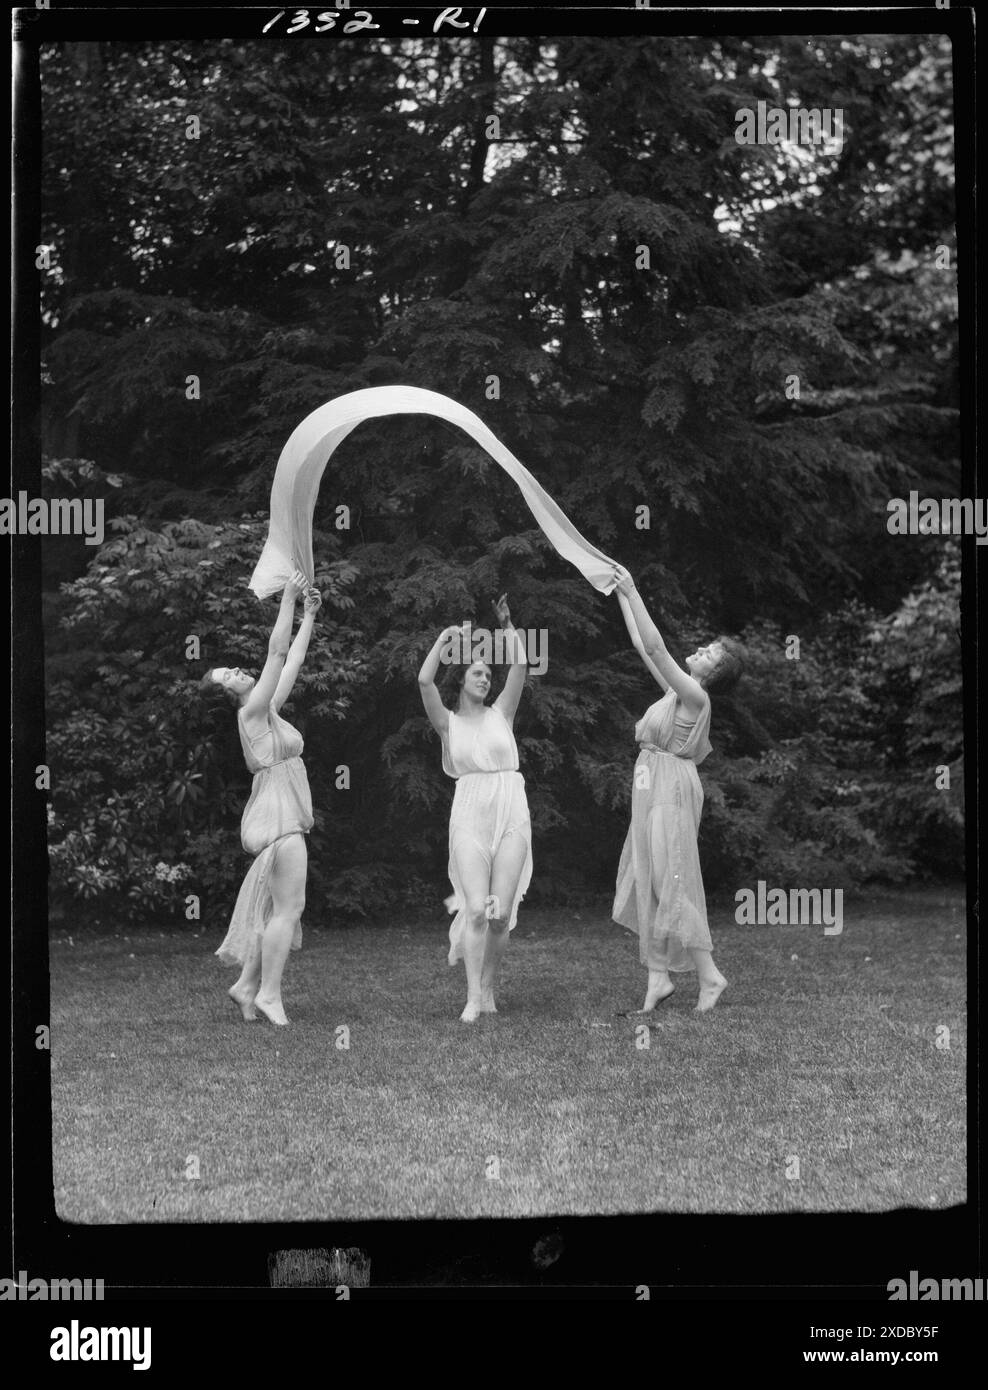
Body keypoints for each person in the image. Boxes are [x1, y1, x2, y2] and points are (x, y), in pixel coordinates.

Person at [610, 565, 743, 1013]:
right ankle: (658, 977)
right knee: (651, 878)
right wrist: (619, 592)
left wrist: (633, 588)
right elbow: (640, 643)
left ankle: (710, 976)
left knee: (673, 878)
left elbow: (656, 646)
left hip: (672, 787)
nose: (701, 649)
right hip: (651, 783)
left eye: (710, 654)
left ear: (714, 674)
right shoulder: (675, 692)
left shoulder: (695, 697)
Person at [202, 571, 321, 1026]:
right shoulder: (251, 714)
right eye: (228, 677)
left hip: (282, 813)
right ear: (230, 698)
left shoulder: (266, 707)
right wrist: (286, 596)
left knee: (280, 908)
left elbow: (293, 658)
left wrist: (308, 614)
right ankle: (269, 994)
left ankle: (247, 987)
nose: (236, 672)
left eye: (232, 669)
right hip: (278, 817)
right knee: (289, 908)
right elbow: (275, 652)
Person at [418, 596, 532, 1022]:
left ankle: (487, 989)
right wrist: (445, 639)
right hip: (469, 813)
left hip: (511, 808)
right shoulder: (447, 722)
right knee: (476, 909)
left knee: (499, 913)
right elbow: (424, 680)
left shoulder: (503, 711)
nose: (485, 679)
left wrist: (507, 624)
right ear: (462, 679)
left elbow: (520, 666)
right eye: (478, 673)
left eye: (487, 674)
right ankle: (471, 997)